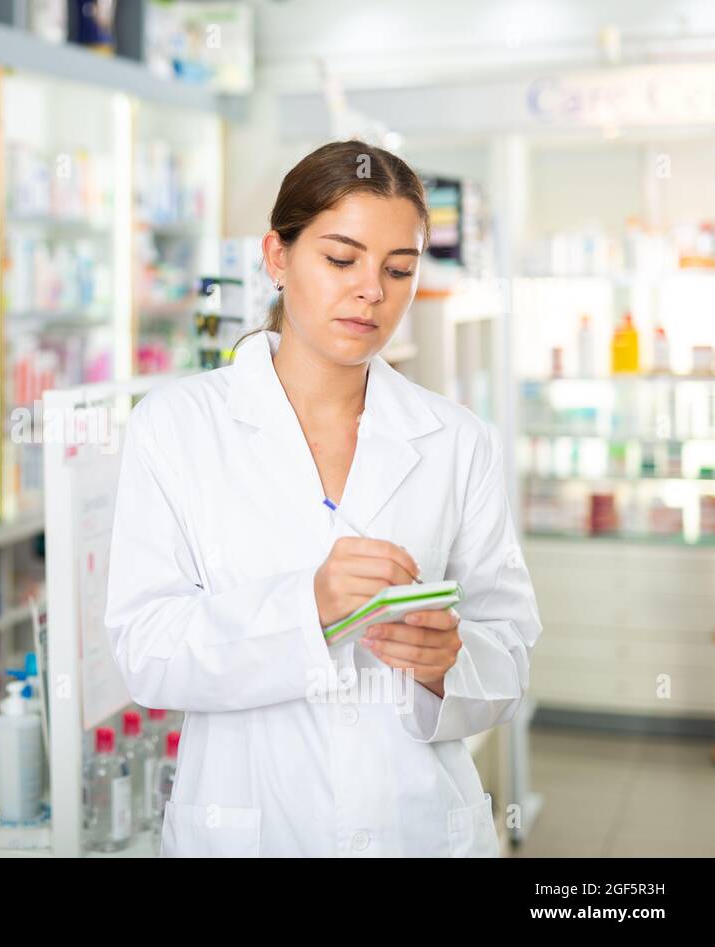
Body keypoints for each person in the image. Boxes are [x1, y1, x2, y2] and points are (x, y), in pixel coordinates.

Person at [105, 140, 542, 857]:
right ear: (277, 257)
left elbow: (510, 648)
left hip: (419, 828)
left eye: (398, 269)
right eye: (342, 259)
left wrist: (444, 668)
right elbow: (146, 650)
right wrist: (307, 606)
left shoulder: (458, 441)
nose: (372, 289)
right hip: (250, 828)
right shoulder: (176, 428)